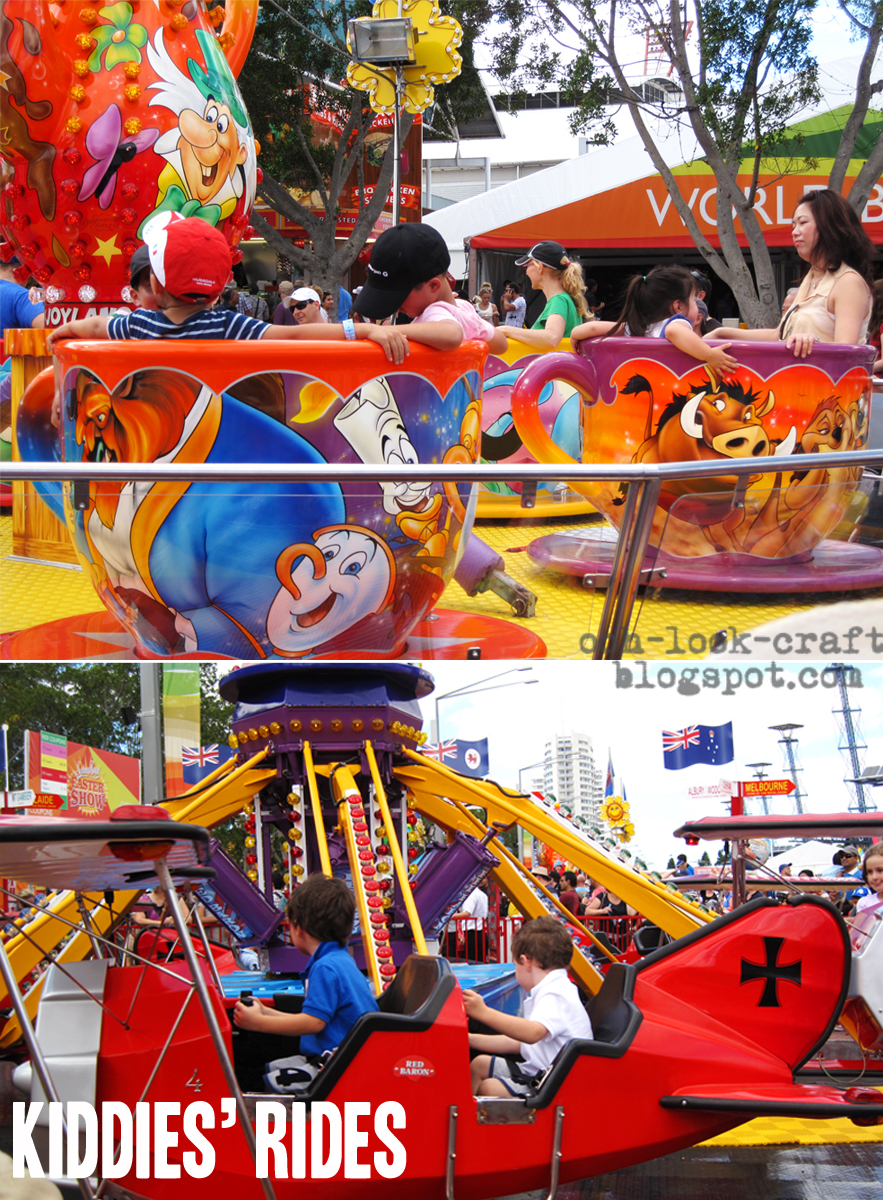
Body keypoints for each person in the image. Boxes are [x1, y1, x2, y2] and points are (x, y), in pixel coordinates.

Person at [46, 213, 410, 365]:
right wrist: (364, 330)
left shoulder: (139, 325)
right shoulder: (228, 326)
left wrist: (64, 330)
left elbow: (96, 326)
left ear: (156, 284)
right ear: (219, 288)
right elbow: (296, 336)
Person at [233, 875, 378, 1093]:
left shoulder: (326, 967)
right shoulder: (339, 960)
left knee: (265, 1083)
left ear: (299, 928)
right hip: (342, 1056)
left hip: (338, 1065)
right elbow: (315, 1017)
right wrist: (265, 1012)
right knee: (271, 1067)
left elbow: (313, 1023)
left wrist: (258, 1023)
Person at [705, 188, 874, 357]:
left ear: (829, 225)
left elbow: (847, 351)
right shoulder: (811, 278)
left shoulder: (848, 281)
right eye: (793, 225)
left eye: (802, 223)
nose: (794, 232)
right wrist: (723, 333)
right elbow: (778, 336)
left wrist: (813, 342)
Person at [463, 916, 592, 1097]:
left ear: (526, 962)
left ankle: (483, 1114)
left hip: (556, 1085)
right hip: (542, 1074)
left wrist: (482, 1012)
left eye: (516, 965)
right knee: (479, 1064)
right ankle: (469, 1113)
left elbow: (531, 1034)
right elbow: (520, 1041)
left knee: (491, 1088)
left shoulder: (556, 993)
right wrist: (468, 1039)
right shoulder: (552, 989)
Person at [353, 223, 508, 355]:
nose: (396, 307)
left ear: (433, 286)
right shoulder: (463, 307)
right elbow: (501, 344)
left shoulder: (435, 311)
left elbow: (452, 334)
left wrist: (383, 331)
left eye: (399, 297)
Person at [571, 265, 737, 378]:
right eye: (694, 300)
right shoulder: (678, 322)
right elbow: (674, 331)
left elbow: (593, 328)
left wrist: (574, 335)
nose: (697, 305)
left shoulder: (638, 328)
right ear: (678, 306)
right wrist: (709, 354)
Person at [503, 240, 591, 350]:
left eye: (526, 266)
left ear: (539, 267)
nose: (526, 272)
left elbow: (552, 338)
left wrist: (505, 330)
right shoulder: (565, 299)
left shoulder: (558, 300)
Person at [448, 884, 488, 962]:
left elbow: (467, 913)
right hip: (481, 929)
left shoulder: (470, 895)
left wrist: (451, 916)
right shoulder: (482, 895)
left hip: (472, 931)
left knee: (471, 959)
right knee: (480, 959)